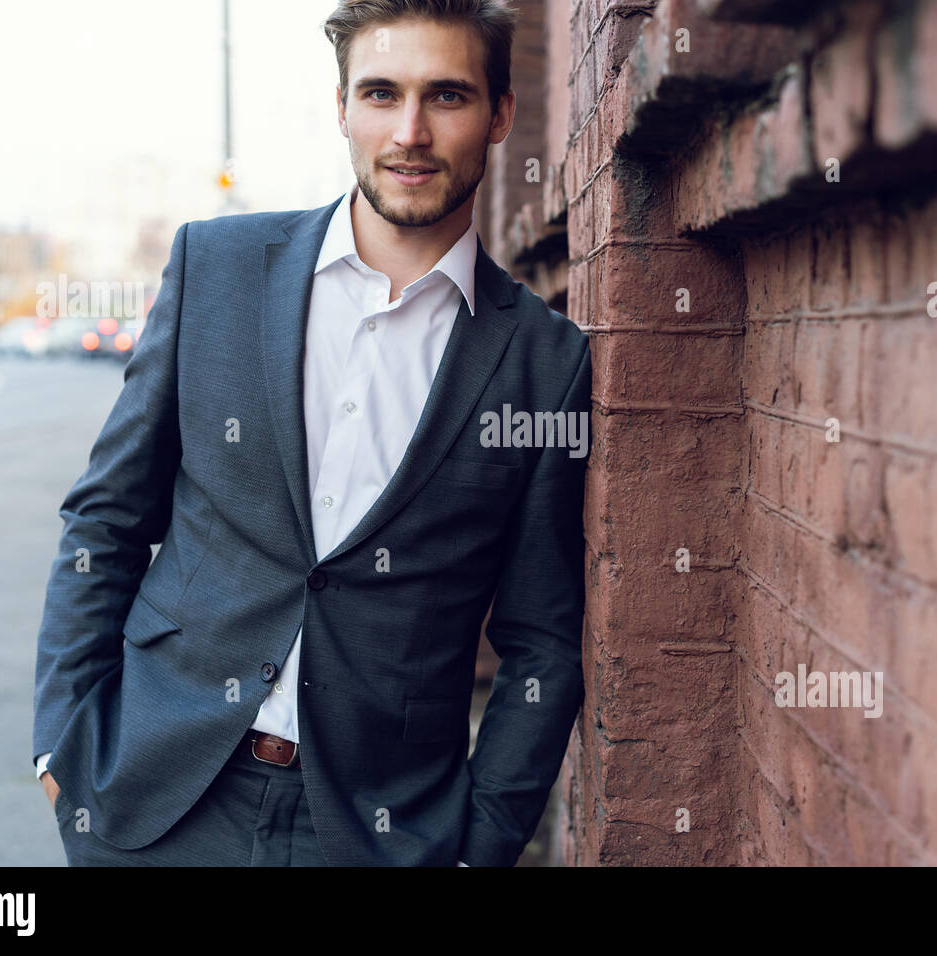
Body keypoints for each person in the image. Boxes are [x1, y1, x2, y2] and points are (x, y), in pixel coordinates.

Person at [32, 0, 590, 866]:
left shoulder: (543, 361)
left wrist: (483, 843)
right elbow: (104, 522)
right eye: (379, 93)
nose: (409, 131)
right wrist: (60, 744)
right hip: (154, 800)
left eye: (446, 96)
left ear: (501, 113)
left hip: (378, 831)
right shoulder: (215, 270)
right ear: (341, 108)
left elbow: (542, 639)